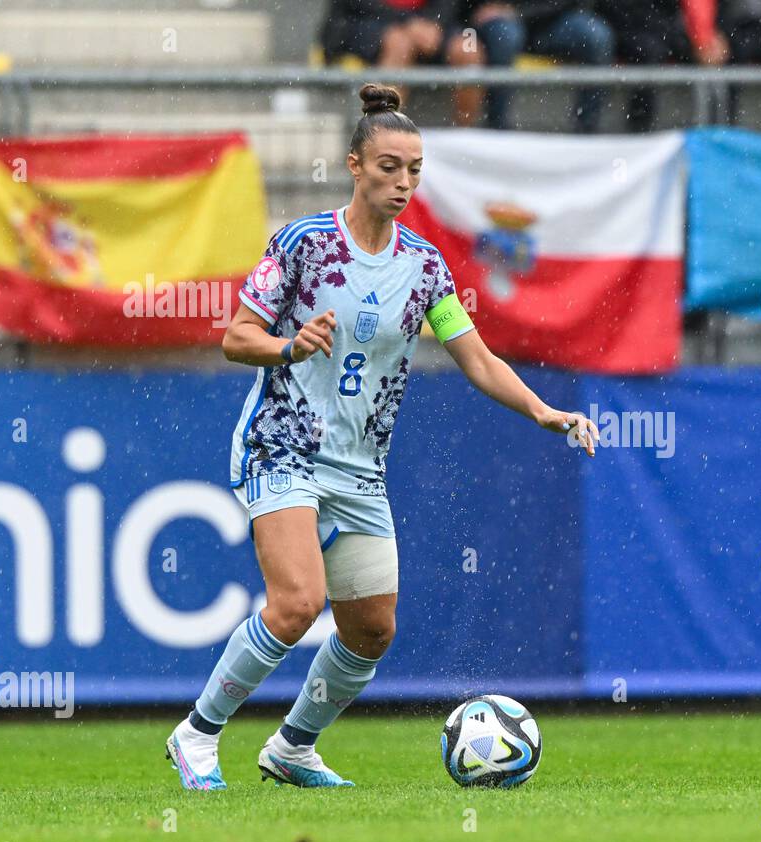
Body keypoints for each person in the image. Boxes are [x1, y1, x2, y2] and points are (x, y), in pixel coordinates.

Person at [166, 83, 599, 790]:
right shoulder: (304, 244)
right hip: (282, 446)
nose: (403, 182)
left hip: (360, 468)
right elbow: (235, 337)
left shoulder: (426, 266)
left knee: (371, 629)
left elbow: (478, 358)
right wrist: (289, 348)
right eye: (390, 166)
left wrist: (544, 411)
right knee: (296, 603)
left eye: (414, 170)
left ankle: (292, 748)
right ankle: (197, 734)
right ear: (355, 166)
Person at [459, 1, 616, 132]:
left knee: (597, 36)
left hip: (552, 18)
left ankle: (586, 130)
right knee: (504, 36)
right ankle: (497, 127)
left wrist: (518, 12)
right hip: (498, 22)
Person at [318, 0, 483, 125]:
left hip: (428, 21)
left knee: (467, 50)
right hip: (363, 22)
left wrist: (433, 22)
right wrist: (409, 22)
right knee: (400, 43)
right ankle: (382, 135)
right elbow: (359, 5)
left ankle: (462, 140)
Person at [597, 0, 728, 133]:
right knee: (649, 52)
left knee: (710, 51)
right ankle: (640, 129)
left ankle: (714, 131)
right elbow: (616, 11)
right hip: (629, 30)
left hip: (662, 30)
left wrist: (706, 39)